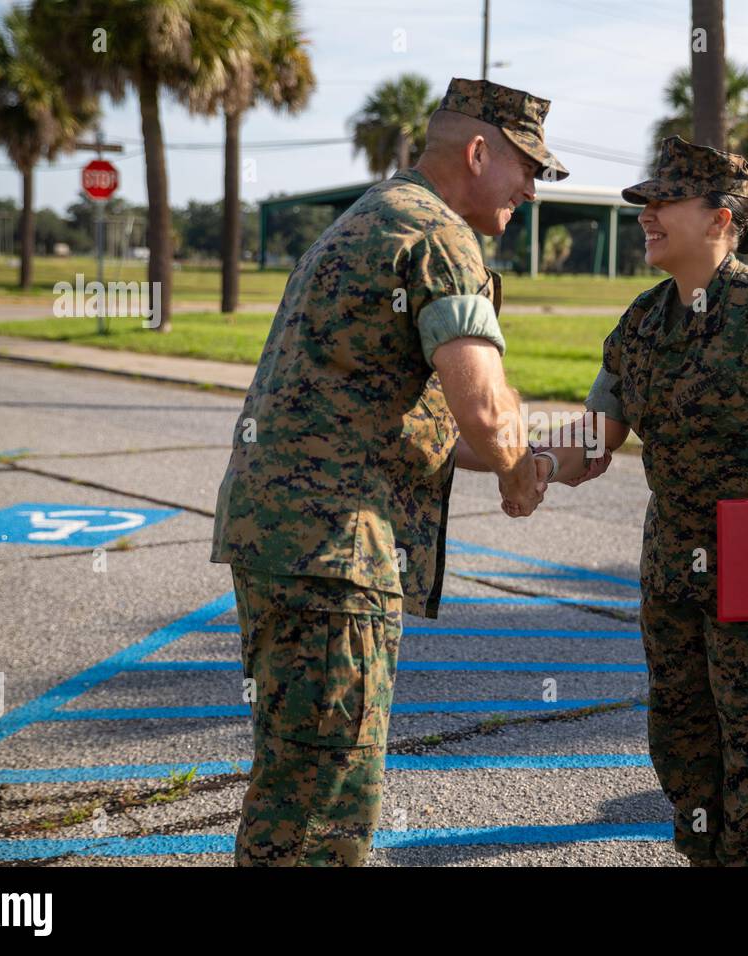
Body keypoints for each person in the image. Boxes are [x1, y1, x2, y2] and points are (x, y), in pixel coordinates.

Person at [209, 77, 568, 866]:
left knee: (294, 776)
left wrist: (541, 456)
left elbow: (394, 413)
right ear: (478, 153)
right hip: (337, 553)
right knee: (326, 805)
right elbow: (481, 408)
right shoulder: (439, 237)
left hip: (284, 540)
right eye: (528, 169)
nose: (532, 192)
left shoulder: (373, 218)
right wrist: (518, 469)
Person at [530, 135, 748, 866]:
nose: (646, 216)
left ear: (721, 219)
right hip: (673, 566)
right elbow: (598, 432)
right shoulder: (643, 322)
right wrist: (538, 460)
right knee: (680, 738)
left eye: (663, 203)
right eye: (644, 205)